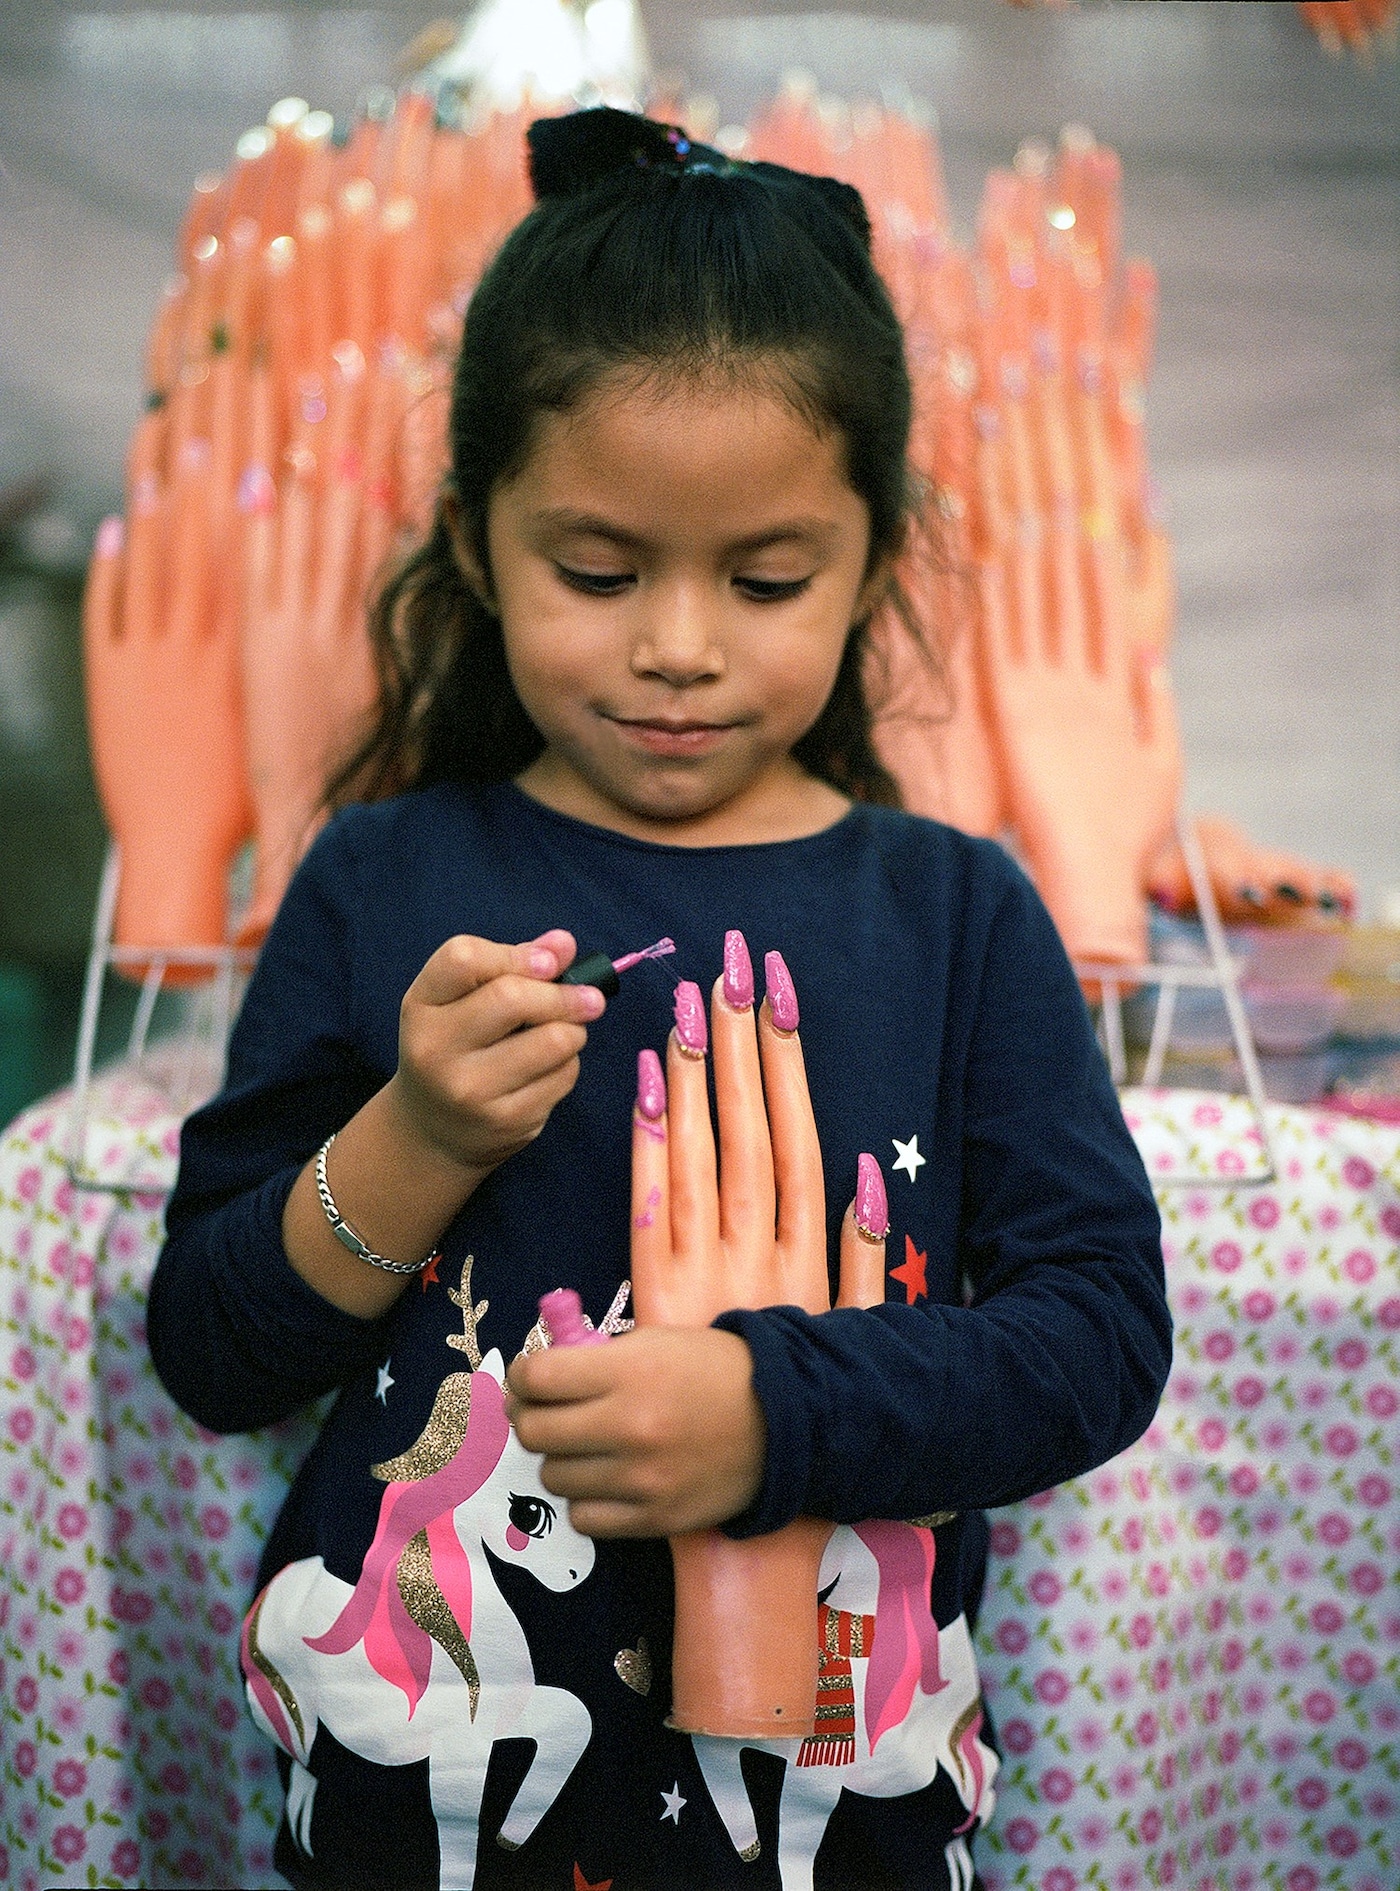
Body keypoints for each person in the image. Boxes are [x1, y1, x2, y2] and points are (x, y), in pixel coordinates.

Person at [149, 106, 1172, 1891]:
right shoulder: (379, 884)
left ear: (870, 562)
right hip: (422, 1820)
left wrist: (776, 1413)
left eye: (768, 579)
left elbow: (1097, 1338)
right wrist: (409, 1142)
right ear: (476, 542)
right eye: (598, 572)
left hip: (841, 1819)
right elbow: (214, 1350)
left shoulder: (955, 915)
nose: (679, 646)